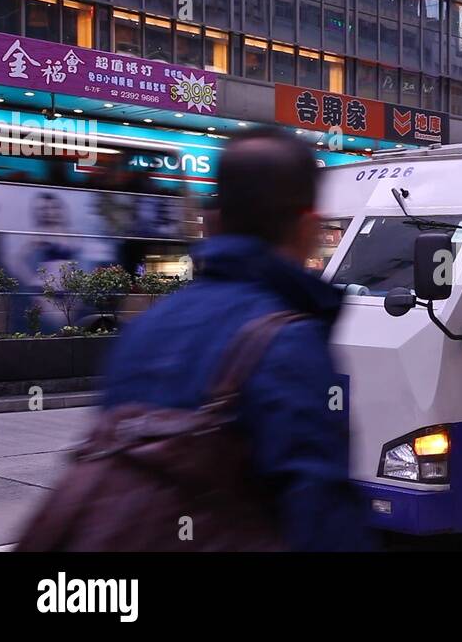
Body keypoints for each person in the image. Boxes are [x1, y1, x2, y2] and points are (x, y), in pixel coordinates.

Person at [97, 127, 370, 551]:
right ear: (308, 227)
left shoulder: (143, 329)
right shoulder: (289, 340)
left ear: (213, 221)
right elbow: (322, 520)